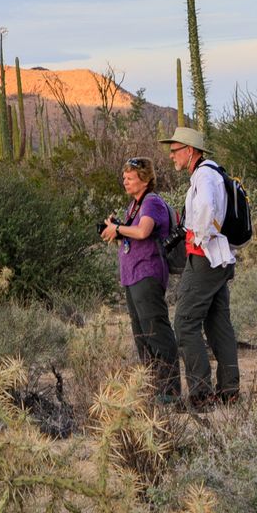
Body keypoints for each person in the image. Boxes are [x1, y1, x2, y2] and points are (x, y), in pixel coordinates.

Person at [159, 125, 240, 408]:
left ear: (189, 150)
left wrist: (198, 237)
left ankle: (201, 393)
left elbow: (206, 208)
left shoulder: (204, 175)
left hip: (206, 258)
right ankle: (229, 391)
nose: (171, 156)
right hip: (220, 259)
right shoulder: (210, 172)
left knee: (184, 323)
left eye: (174, 151)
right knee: (218, 324)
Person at [101, 156, 180, 401]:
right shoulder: (134, 205)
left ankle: (170, 391)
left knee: (156, 330)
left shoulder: (151, 202)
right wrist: (117, 230)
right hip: (133, 275)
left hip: (148, 273)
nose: (125, 181)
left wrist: (119, 229)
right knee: (141, 334)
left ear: (144, 179)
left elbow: (143, 231)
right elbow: (131, 235)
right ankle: (153, 387)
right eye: (124, 177)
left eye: (130, 177)